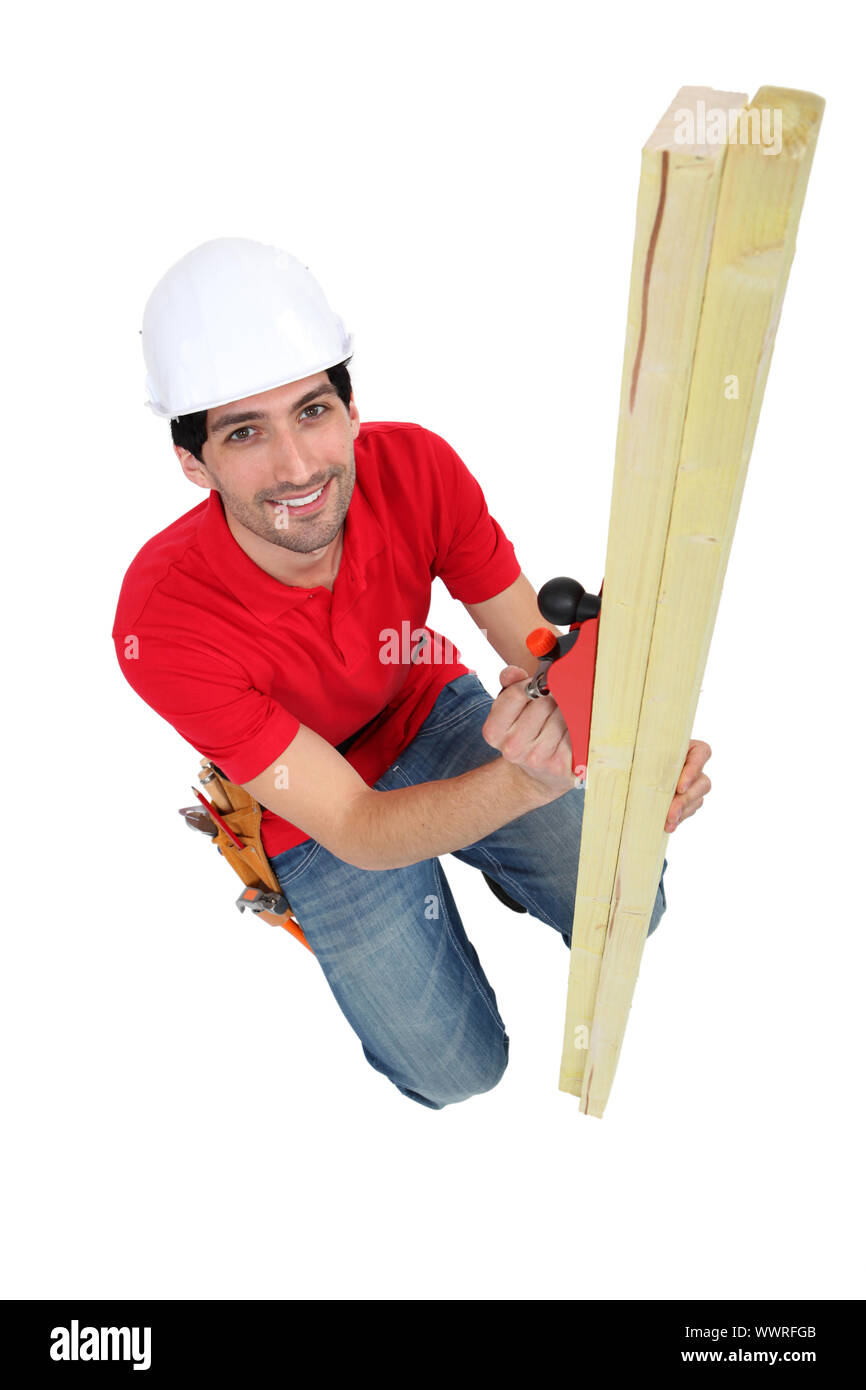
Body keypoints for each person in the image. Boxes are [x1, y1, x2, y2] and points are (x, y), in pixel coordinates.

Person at [113, 237, 712, 1110]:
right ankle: (369, 882)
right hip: (309, 807)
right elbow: (355, 824)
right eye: (245, 432)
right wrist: (525, 786)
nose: (297, 467)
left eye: (313, 411)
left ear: (352, 409)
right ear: (193, 464)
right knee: (459, 1074)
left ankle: (487, 849)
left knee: (634, 903)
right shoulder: (160, 621)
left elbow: (538, 648)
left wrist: (634, 742)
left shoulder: (417, 467)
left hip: (424, 709)